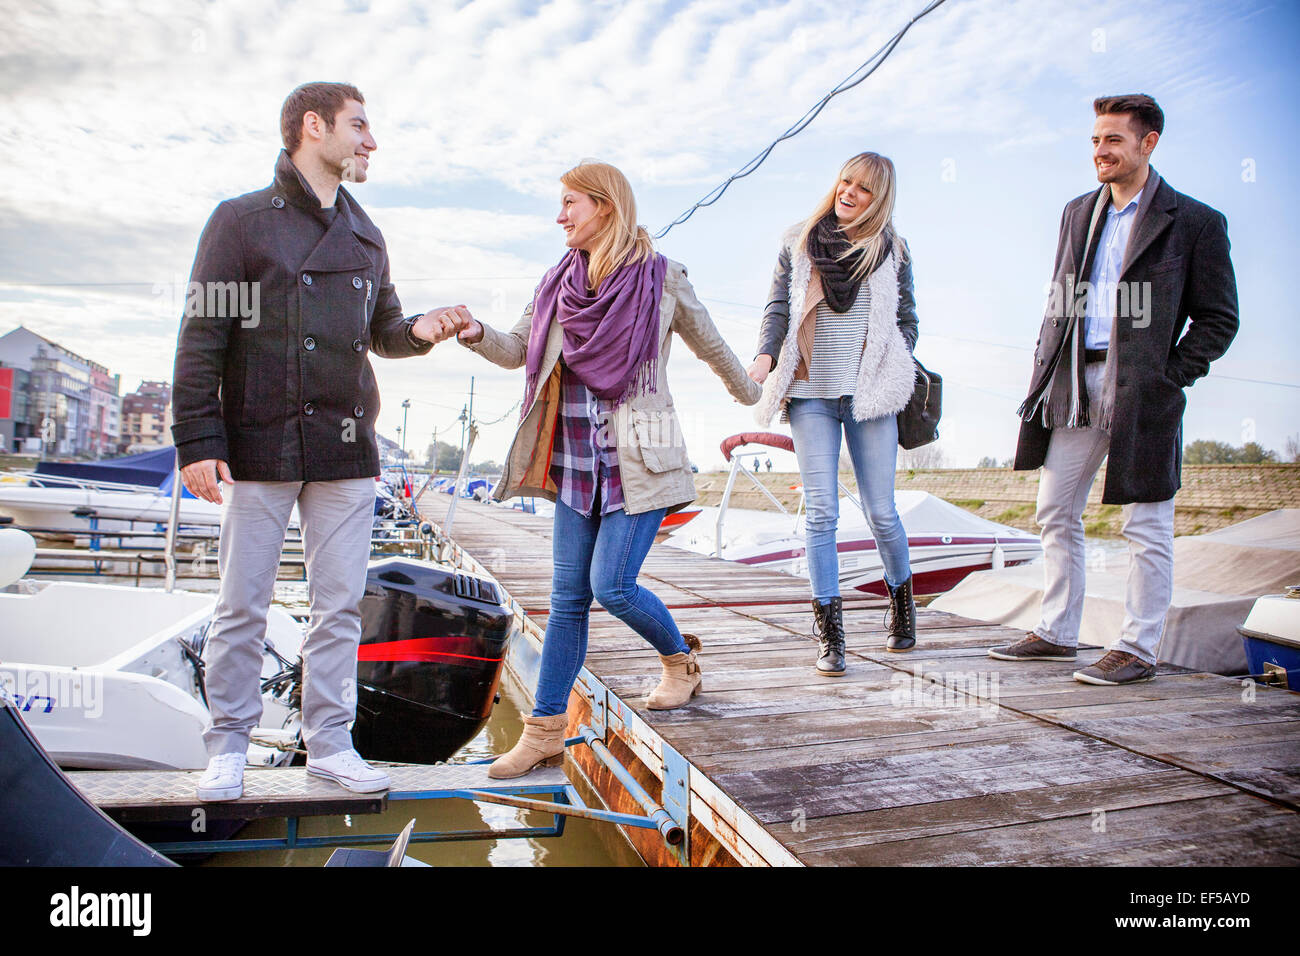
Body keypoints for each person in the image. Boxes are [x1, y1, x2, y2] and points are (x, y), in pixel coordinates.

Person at [428, 162, 761, 778]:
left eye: (570, 203)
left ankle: (680, 660)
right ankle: (544, 731)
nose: (560, 216)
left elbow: (712, 345)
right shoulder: (557, 282)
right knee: (567, 600)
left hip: (640, 463)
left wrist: (752, 390)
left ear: (606, 206)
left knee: (613, 586)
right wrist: (475, 332)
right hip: (575, 463)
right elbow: (515, 349)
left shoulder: (662, 278)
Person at [172, 82, 452, 800]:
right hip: (260, 441)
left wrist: (420, 329)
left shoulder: (365, 236)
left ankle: (330, 742)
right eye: (360, 126)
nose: (371, 141)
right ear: (313, 126)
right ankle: (228, 744)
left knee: (338, 605)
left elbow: (383, 331)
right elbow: (203, 335)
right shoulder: (240, 222)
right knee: (243, 601)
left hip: (345, 446)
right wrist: (198, 439)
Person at [991, 94, 1238, 685]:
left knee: (1146, 523)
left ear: (1148, 143)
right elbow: (1062, 298)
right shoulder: (1078, 212)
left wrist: (1168, 376)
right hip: (1075, 382)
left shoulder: (1195, 221)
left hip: (1143, 390)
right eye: (1095, 141)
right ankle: (1056, 632)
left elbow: (1218, 318)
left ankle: (1137, 648)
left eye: (1114, 141)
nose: (1101, 152)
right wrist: (1045, 363)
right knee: (1054, 509)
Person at [750, 152, 919, 675]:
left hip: (868, 396)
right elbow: (778, 308)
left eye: (864, 189)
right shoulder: (799, 241)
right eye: (846, 181)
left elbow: (907, 318)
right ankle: (830, 634)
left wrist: (897, 356)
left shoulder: (892, 249)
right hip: (810, 394)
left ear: (879, 198)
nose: (850, 193)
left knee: (882, 512)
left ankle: (902, 605)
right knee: (821, 512)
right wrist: (766, 355)